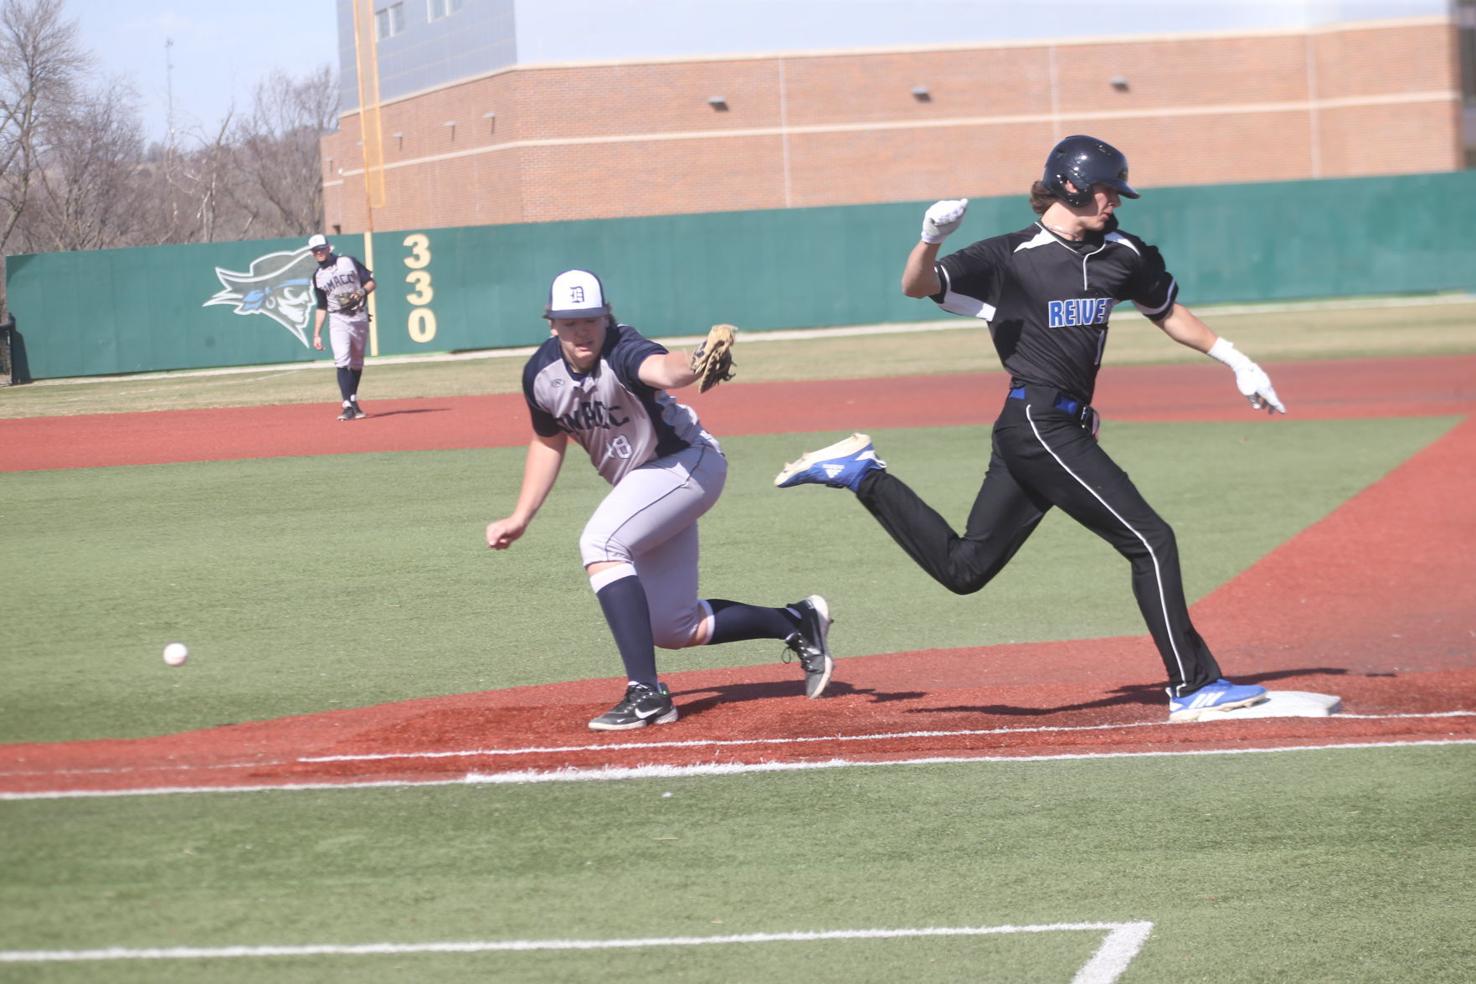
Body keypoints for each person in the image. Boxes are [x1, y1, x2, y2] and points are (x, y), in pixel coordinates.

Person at [775, 134, 1283, 723]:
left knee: (965, 570)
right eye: (1106, 191)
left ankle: (862, 474)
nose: (1115, 202)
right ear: (1070, 185)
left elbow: (1165, 311)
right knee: (1150, 539)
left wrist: (1236, 359)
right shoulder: (1007, 257)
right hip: (1040, 423)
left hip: (1046, 431)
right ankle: (1192, 686)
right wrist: (931, 238)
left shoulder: (1125, 253)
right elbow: (916, 286)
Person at [486, 269, 835, 731]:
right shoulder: (541, 374)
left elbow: (664, 368)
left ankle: (647, 694)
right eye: (570, 322)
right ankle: (796, 621)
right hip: (648, 486)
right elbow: (548, 441)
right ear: (551, 324)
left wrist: (695, 362)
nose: (582, 330)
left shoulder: (622, 349)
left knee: (602, 544)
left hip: (686, 464)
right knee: (671, 627)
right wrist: (522, 515)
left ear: (606, 317)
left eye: (590, 318)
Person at [309, 234, 376, 420]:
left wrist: (361, 291)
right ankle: (346, 405)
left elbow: (371, 282)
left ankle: (353, 400)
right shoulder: (318, 277)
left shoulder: (348, 261)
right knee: (341, 360)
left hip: (359, 316)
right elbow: (322, 306)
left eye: (321, 248)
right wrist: (316, 334)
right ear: (312, 254)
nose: (319, 253)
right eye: (315, 251)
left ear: (329, 248)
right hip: (338, 318)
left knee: (356, 363)